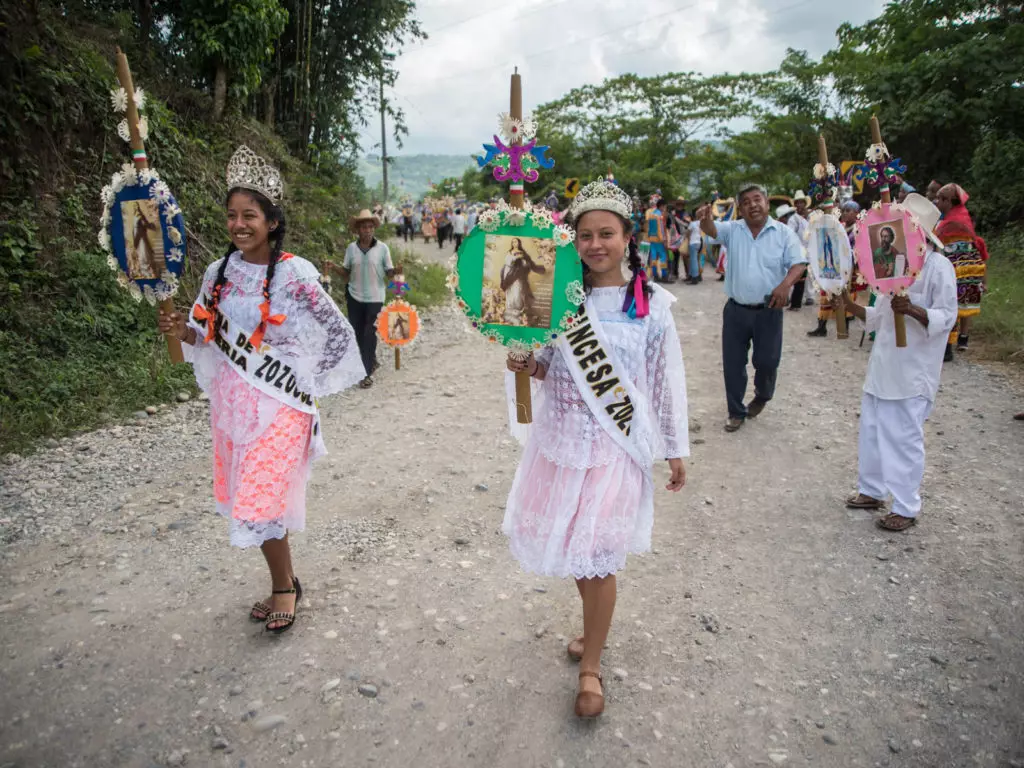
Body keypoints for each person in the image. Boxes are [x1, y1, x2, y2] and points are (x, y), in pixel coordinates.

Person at [157, 146, 365, 633]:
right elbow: (200, 334)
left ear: (271, 222)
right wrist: (178, 330)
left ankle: (283, 588)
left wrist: (303, 376)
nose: (238, 224)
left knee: (262, 498)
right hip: (233, 402)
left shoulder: (296, 273)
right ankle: (286, 578)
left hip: (281, 404)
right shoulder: (217, 273)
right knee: (253, 494)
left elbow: (336, 332)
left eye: (249, 215)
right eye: (231, 215)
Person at [504, 180, 689, 719]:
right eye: (584, 235)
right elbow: (546, 366)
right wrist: (526, 364)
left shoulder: (652, 306)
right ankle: (592, 631)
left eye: (606, 233)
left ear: (628, 236)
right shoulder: (558, 297)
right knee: (579, 553)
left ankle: (592, 667)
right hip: (562, 442)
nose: (595, 244)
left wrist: (676, 448)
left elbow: (662, 382)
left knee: (597, 553)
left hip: (617, 448)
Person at [838, 193, 957, 532]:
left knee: (904, 438)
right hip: (882, 367)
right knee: (872, 431)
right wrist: (849, 305)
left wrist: (915, 310)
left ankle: (906, 506)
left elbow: (947, 316)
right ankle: (872, 490)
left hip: (912, 372)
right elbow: (878, 317)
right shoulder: (895, 262)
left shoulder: (938, 266)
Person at [699, 184, 808, 432]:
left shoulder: (783, 233)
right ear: (741, 208)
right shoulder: (733, 230)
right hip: (736, 310)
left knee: (767, 361)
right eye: (746, 202)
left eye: (757, 199)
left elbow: (799, 264)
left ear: (767, 203)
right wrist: (705, 220)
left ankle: (763, 394)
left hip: (769, 309)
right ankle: (736, 411)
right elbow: (711, 230)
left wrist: (784, 286)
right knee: (733, 363)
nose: (752, 205)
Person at [332, 209, 396, 388]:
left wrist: (395, 272)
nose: (367, 230)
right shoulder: (351, 249)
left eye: (370, 227)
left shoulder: (382, 248)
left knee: (370, 332)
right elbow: (346, 273)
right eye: (363, 227)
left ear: (374, 229)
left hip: (376, 297)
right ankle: (371, 359)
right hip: (354, 296)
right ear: (357, 230)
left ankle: (366, 373)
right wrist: (334, 268)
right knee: (358, 333)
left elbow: (389, 272)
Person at [935, 183, 989, 356]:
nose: (936, 202)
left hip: (957, 268)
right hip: (965, 268)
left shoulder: (951, 222)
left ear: (947, 200)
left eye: (939, 199)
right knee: (960, 305)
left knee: (952, 305)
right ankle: (960, 340)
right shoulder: (960, 216)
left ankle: (948, 346)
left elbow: (939, 243)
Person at [781, 200, 810, 310]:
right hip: (799, 252)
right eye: (798, 203)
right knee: (795, 278)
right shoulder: (795, 219)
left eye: (802, 202)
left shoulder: (803, 219)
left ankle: (795, 303)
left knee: (798, 278)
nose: (800, 205)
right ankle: (792, 302)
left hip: (802, 252)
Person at [645, 197, 671, 282]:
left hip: (652, 239)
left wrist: (648, 238)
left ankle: (655, 276)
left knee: (654, 257)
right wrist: (663, 239)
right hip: (659, 240)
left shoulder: (651, 214)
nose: (665, 208)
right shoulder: (660, 215)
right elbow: (661, 229)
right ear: (662, 206)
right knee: (663, 257)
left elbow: (648, 228)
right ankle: (664, 276)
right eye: (665, 207)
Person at [686, 208, 704, 285]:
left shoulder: (692, 223)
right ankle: (692, 276)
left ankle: (694, 278)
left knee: (693, 261)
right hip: (699, 243)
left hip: (693, 243)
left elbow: (688, 233)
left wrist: (688, 240)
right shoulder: (701, 223)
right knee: (695, 260)